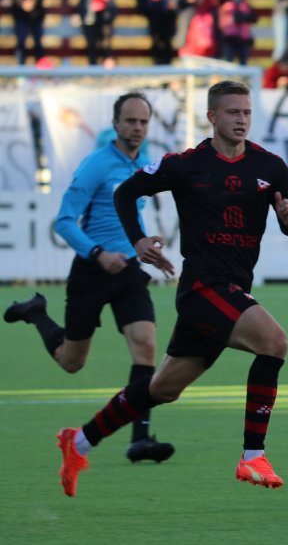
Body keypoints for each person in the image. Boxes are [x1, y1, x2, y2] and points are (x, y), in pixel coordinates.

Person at [53, 80, 288, 498]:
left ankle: (78, 441)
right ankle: (252, 456)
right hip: (203, 289)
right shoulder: (186, 164)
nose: (241, 119)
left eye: (246, 112)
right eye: (232, 112)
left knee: (163, 388)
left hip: (232, 290)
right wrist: (137, 239)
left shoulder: (270, 167)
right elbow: (125, 191)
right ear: (211, 117)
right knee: (274, 342)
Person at [4, 92, 175, 464]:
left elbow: (132, 219)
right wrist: (98, 253)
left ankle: (140, 440)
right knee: (72, 361)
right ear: (115, 124)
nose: (137, 128)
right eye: (130, 121)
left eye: (143, 122)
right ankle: (36, 312)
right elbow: (64, 221)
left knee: (145, 344)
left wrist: (145, 247)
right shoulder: (97, 164)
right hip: (92, 271)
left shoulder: (144, 165)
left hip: (128, 269)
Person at [217, 0, 256, 65]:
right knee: (228, 63)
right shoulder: (222, 1)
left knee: (243, 64)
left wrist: (241, 16)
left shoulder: (243, 1)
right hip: (228, 37)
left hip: (243, 37)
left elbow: (253, 17)